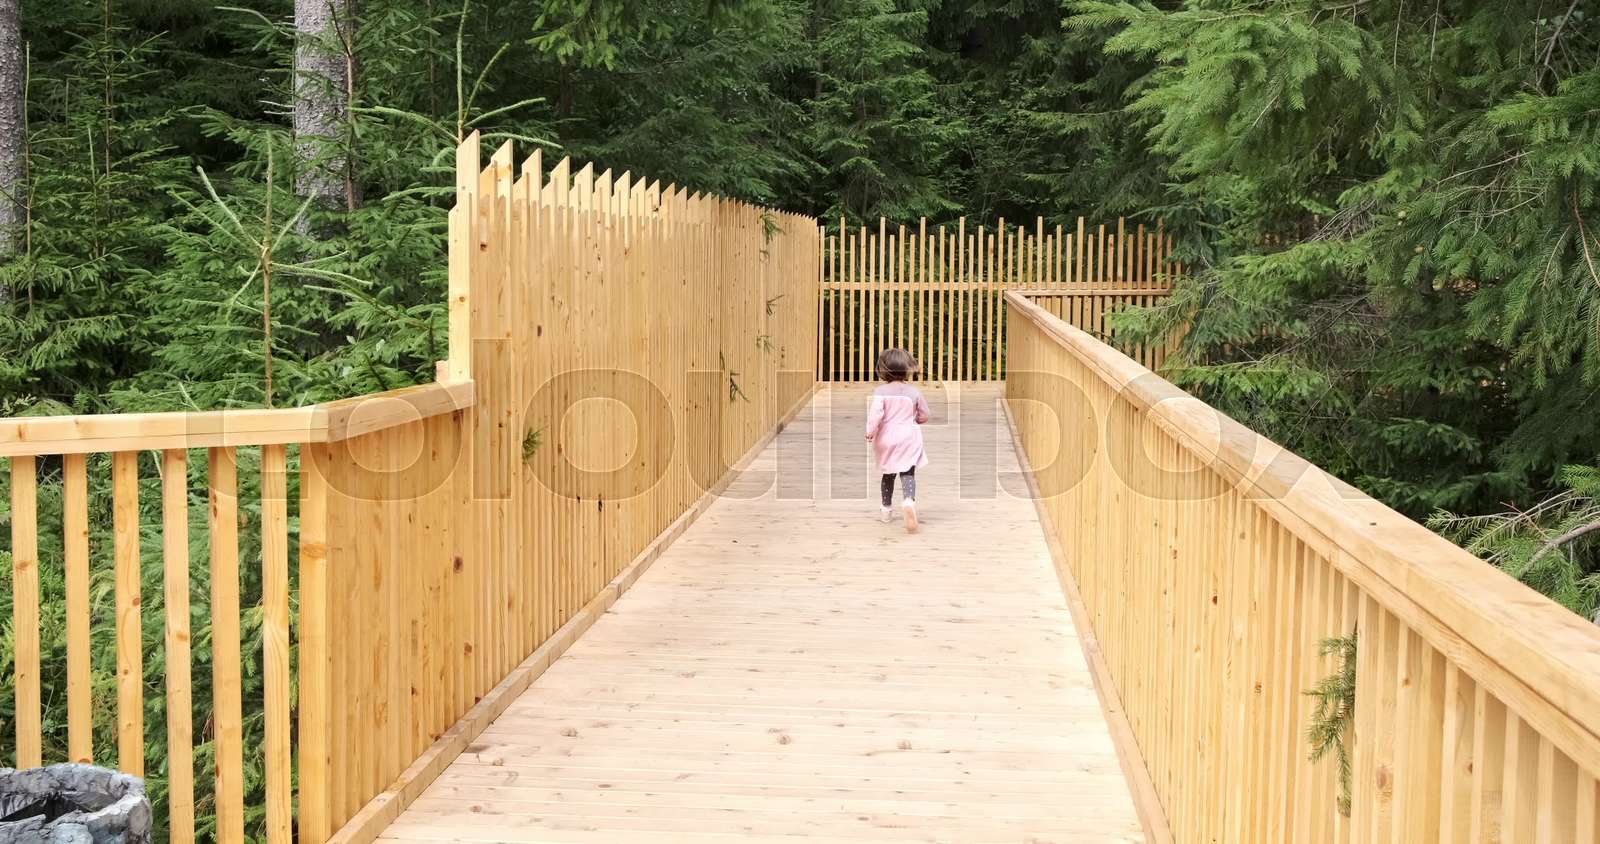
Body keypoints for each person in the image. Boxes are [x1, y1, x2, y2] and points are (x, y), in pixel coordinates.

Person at [864, 348, 930, 532]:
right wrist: (915, 419)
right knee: (908, 472)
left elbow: (875, 415)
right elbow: (925, 415)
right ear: (907, 368)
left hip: (886, 438)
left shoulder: (880, 392)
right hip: (909, 437)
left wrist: (870, 431)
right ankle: (909, 500)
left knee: (888, 473)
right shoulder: (914, 392)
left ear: (883, 369)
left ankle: (886, 510)